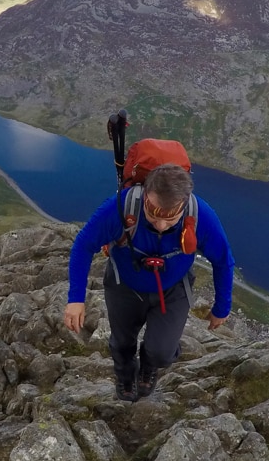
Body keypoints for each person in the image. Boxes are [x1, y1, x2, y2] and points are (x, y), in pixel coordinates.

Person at [63, 163, 235, 401]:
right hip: (125, 286)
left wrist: (222, 307)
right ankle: (125, 376)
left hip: (173, 289)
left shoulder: (200, 215)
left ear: (184, 204)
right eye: (153, 213)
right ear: (145, 194)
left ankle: (150, 365)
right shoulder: (122, 208)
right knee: (122, 344)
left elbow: (224, 260)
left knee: (162, 352)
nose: (161, 224)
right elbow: (83, 245)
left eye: (170, 217)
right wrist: (75, 299)